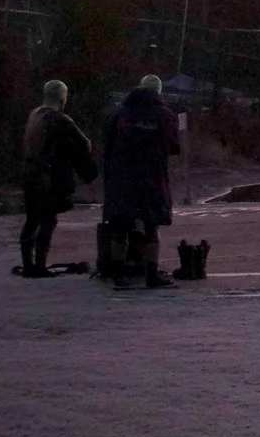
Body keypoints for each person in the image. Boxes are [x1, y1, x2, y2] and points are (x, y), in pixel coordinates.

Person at [101, 74, 181, 290]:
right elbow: (174, 147)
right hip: (151, 180)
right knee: (151, 227)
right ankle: (151, 275)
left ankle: (118, 275)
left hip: (121, 180)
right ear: (159, 92)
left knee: (120, 228)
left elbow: (106, 148)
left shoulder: (119, 114)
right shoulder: (165, 116)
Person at [18, 80, 95, 276]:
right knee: (48, 218)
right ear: (63, 98)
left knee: (32, 219)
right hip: (45, 175)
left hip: (27, 171)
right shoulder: (62, 119)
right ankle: (41, 265)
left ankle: (28, 264)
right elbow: (85, 144)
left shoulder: (34, 114)